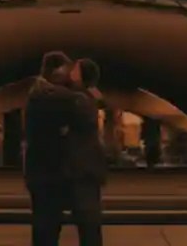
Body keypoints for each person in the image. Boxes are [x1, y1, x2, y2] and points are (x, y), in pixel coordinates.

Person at [23, 51, 86, 246]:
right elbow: (80, 111)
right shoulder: (51, 95)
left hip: (39, 168)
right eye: (66, 71)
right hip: (50, 168)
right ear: (56, 71)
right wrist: (81, 87)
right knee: (48, 222)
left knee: (44, 221)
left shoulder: (37, 92)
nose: (68, 75)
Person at [64, 58, 106, 246]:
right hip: (88, 166)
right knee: (88, 218)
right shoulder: (89, 97)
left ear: (82, 76)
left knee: (87, 218)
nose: (71, 72)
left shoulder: (79, 99)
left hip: (82, 167)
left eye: (75, 70)